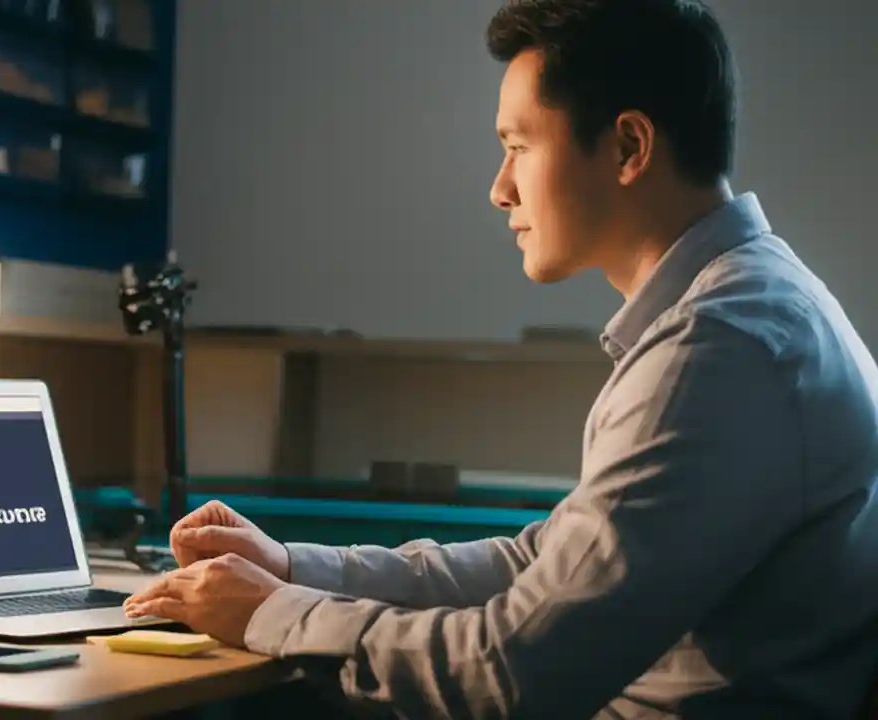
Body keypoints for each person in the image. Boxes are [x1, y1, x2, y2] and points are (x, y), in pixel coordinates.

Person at [124, 0, 878, 717]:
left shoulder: (714, 351)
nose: (499, 188)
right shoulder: (758, 308)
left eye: (519, 147)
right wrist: (292, 569)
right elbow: (539, 567)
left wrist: (273, 612)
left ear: (628, 148)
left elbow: (508, 673)